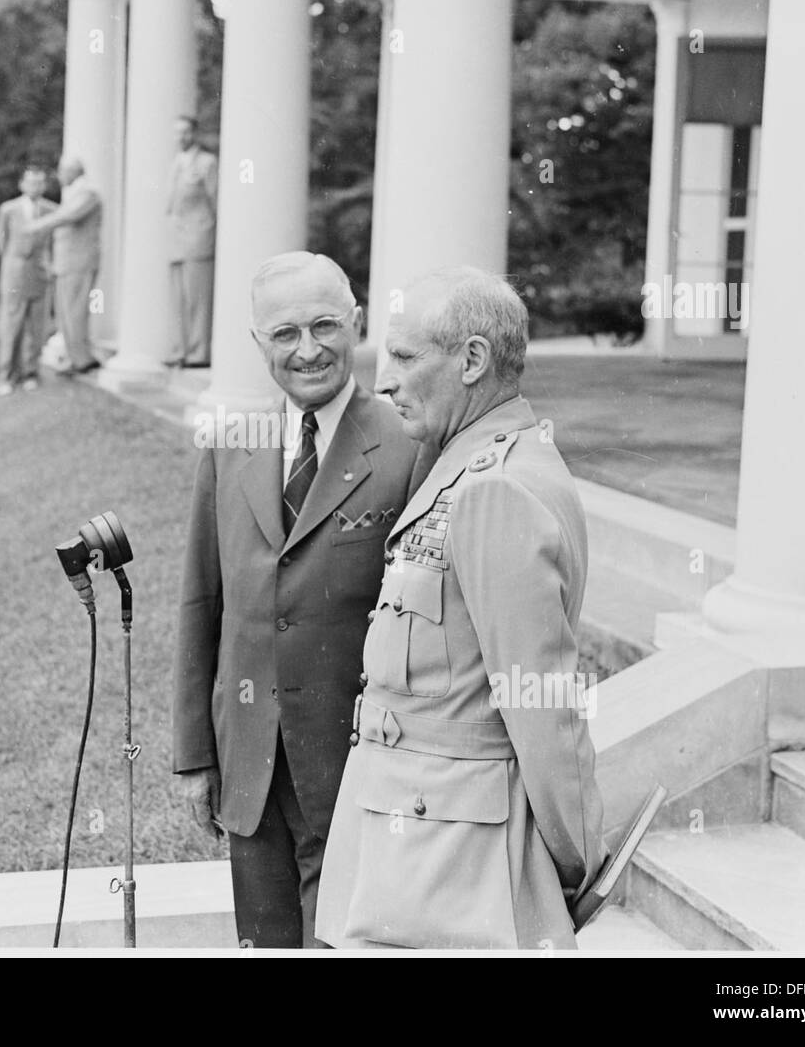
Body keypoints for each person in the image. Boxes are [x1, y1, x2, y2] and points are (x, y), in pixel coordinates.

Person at [315, 266, 607, 950]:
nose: (384, 380)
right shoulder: (468, 463)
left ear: (473, 360)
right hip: (413, 839)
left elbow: (542, 707)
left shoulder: (498, 488)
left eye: (407, 357)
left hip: (454, 869)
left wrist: (570, 859)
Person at [172, 251, 429, 948]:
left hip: (359, 767)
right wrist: (196, 754)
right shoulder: (229, 443)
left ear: (357, 324)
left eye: (325, 326)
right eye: (285, 334)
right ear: (259, 344)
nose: (308, 350)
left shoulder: (409, 446)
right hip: (251, 767)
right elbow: (202, 606)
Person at [31, 155, 102, 376]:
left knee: (76, 310)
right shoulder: (74, 192)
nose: (59, 175)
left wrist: (36, 226)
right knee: (67, 312)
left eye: (62, 170)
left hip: (78, 261)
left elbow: (67, 216)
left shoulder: (87, 193)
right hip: (67, 262)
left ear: (74, 172)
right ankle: (75, 357)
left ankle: (82, 359)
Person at [0, 166, 58, 394]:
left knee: (36, 326)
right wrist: (13, 263)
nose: (35, 187)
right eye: (31, 182)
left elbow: (54, 242)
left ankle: (31, 373)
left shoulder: (52, 209)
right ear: (22, 184)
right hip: (14, 272)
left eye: (40, 183)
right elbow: (1, 242)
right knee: (12, 325)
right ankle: (5, 377)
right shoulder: (8, 209)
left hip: (39, 272)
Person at [165, 115, 218, 368]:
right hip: (176, 240)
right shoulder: (175, 162)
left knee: (198, 300)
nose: (181, 138)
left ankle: (198, 353)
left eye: (186, 132)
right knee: (178, 300)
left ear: (195, 134)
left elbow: (215, 200)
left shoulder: (207, 163)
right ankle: (180, 351)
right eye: (177, 133)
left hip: (198, 239)